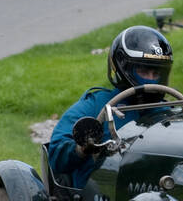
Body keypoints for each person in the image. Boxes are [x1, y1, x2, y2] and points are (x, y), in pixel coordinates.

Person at [47, 26, 174, 188]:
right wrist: (82, 148)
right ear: (123, 69)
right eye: (143, 71)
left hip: (158, 188)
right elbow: (56, 154)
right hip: (98, 195)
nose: (151, 79)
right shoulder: (94, 105)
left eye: (156, 74)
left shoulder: (168, 110)